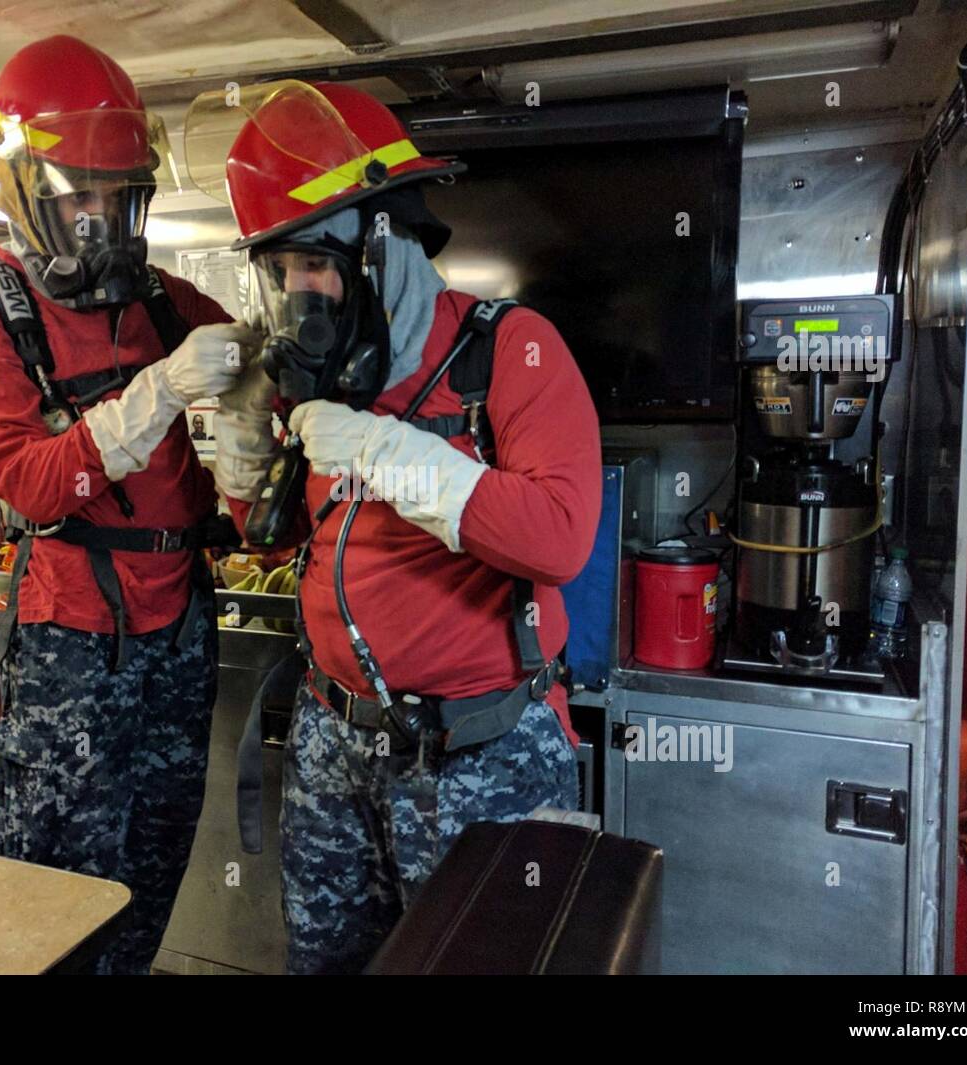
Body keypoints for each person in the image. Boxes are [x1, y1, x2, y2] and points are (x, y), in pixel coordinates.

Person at [187, 81, 602, 973]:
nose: (301, 295)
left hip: (478, 755)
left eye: (314, 263)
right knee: (328, 962)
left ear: (382, 244)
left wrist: (388, 450)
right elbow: (283, 543)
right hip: (334, 744)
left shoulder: (512, 351)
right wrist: (246, 470)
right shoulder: (328, 378)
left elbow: (560, 535)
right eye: (282, 271)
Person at [0, 35, 256, 974]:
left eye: (121, 200)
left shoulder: (163, 300)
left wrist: (254, 402)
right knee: (53, 882)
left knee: (155, 857)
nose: (104, 224)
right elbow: (30, 479)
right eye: (83, 199)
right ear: (29, 187)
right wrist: (159, 391)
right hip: (73, 634)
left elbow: (252, 354)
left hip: (181, 626)